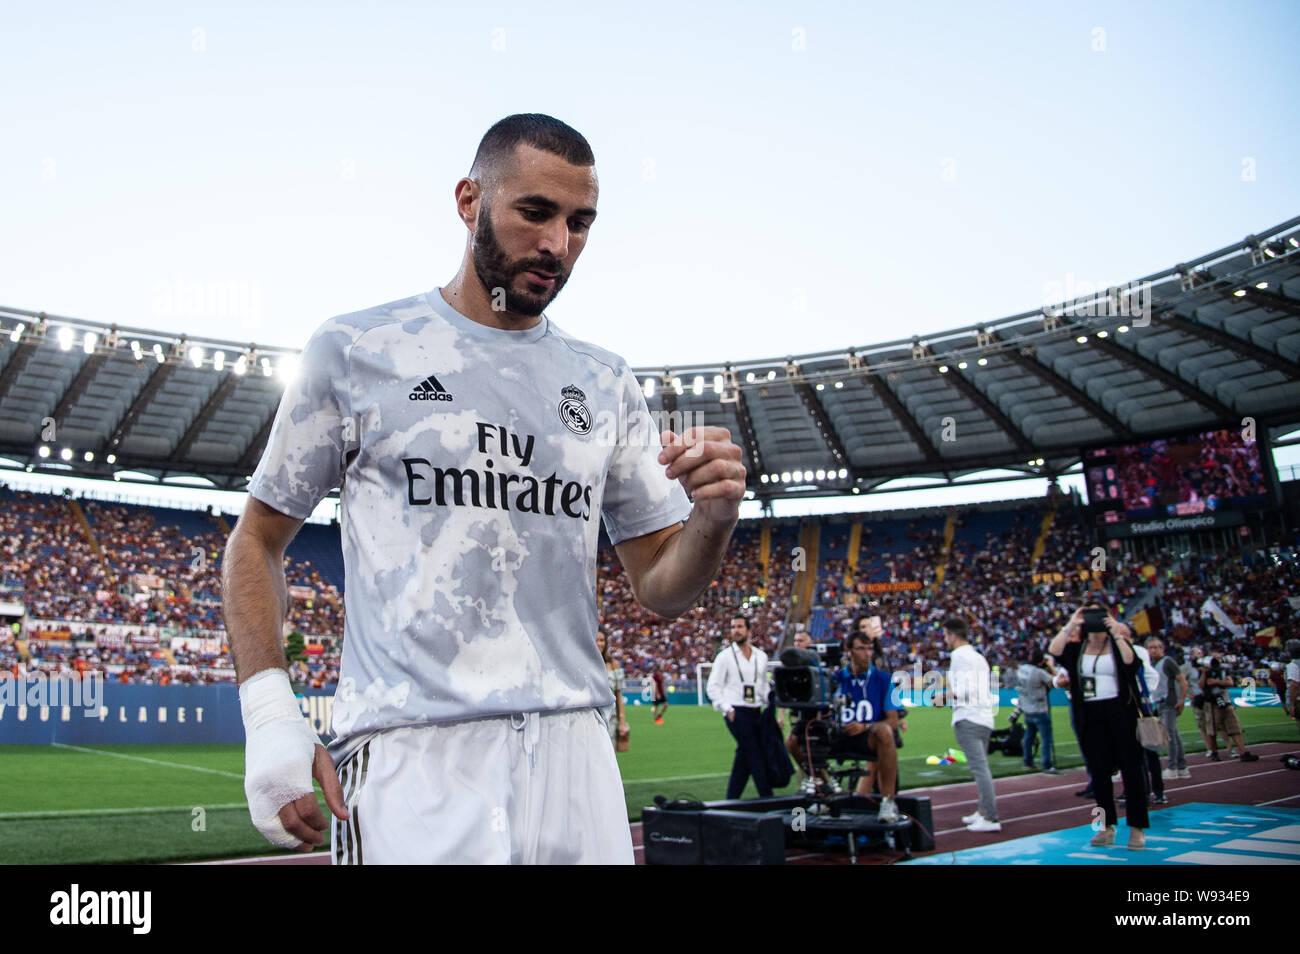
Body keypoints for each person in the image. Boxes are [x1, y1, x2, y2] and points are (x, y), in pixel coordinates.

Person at [222, 114, 747, 864]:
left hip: (578, 757)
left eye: (581, 223)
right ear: (469, 200)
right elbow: (257, 539)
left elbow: (661, 587)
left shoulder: (604, 381)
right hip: (415, 759)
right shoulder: (359, 351)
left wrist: (714, 518)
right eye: (535, 212)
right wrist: (271, 717)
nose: (557, 245)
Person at [1048, 604, 1148, 850]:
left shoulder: (1117, 644)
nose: (1092, 620)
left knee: (1131, 771)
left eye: (1097, 615)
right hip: (1090, 715)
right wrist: (1072, 622)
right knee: (1099, 774)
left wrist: (1116, 632)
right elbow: (1053, 649)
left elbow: (1131, 663)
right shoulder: (1077, 648)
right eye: (1089, 615)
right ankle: (1106, 826)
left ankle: (1136, 828)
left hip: (1120, 713)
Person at [831, 631, 902, 822]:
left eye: (869, 648)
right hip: (840, 735)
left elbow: (893, 722)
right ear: (849, 651)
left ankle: (888, 801)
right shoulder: (835, 679)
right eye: (861, 649)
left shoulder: (885, 679)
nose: (867, 654)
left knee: (885, 730)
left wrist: (865, 726)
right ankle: (824, 792)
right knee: (796, 738)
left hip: (867, 737)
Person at [942, 616, 1001, 833]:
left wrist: (943, 697)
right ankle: (984, 811)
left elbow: (964, 690)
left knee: (980, 769)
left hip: (969, 716)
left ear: (953, 635)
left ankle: (991, 817)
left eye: (946, 635)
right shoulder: (978, 657)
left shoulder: (959, 656)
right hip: (984, 716)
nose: (944, 640)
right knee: (981, 767)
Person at [707, 615, 773, 799]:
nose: (736, 630)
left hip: (756, 711)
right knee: (754, 752)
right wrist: (727, 709)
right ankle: (767, 797)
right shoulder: (724, 657)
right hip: (736, 711)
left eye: (740, 626)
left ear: (749, 630)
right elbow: (713, 686)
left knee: (745, 755)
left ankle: (731, 799)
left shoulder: (761, 656)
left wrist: (769, 700)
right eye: (733, 627)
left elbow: (762, 685)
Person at [1199, 654, 1259, 762]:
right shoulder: (1205, 672)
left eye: (1218, 659)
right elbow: (1201, 686)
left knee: (1234, 727)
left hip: (1226, 701)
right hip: (1212, 703)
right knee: (1212, 729)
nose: (1216, 662)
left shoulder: (1223, 671)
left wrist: (1217, 682)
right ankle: (1214, 752)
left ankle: (1243, 752)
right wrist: (1204, 673)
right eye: (1214, 659)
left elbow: (1230, 682)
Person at [1146, 637, 1190, 780]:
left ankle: (1173, 767)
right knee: (1174, 735)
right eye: (1150, 647)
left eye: (1156, 647)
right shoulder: (1152, 663)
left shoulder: (1167, 661)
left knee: (1169, 736)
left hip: (1169, 701)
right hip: (1160, 701)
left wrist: (1182, 699)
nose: (1153, 650)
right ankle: (1182, 767)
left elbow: (1182, 680)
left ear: (1162, 648)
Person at [1016, 647, 1060, 774]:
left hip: (1027, 708)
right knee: (1046, 739)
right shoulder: (1039, 672)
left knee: (1028, 737)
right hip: (1040, 709)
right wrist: (1051, 666)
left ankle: (1027, 762)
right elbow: (1056, 681)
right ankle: (1047, 765)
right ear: (1041, 661)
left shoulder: (1022, 669)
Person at [596, 630, 628, 750]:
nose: (599, 643)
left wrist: (622, 721)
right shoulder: (586, 664)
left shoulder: (614, 665)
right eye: (596, 640)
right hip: (591, 719)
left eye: (602, 640)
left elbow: (618, 694)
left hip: (611, 720)